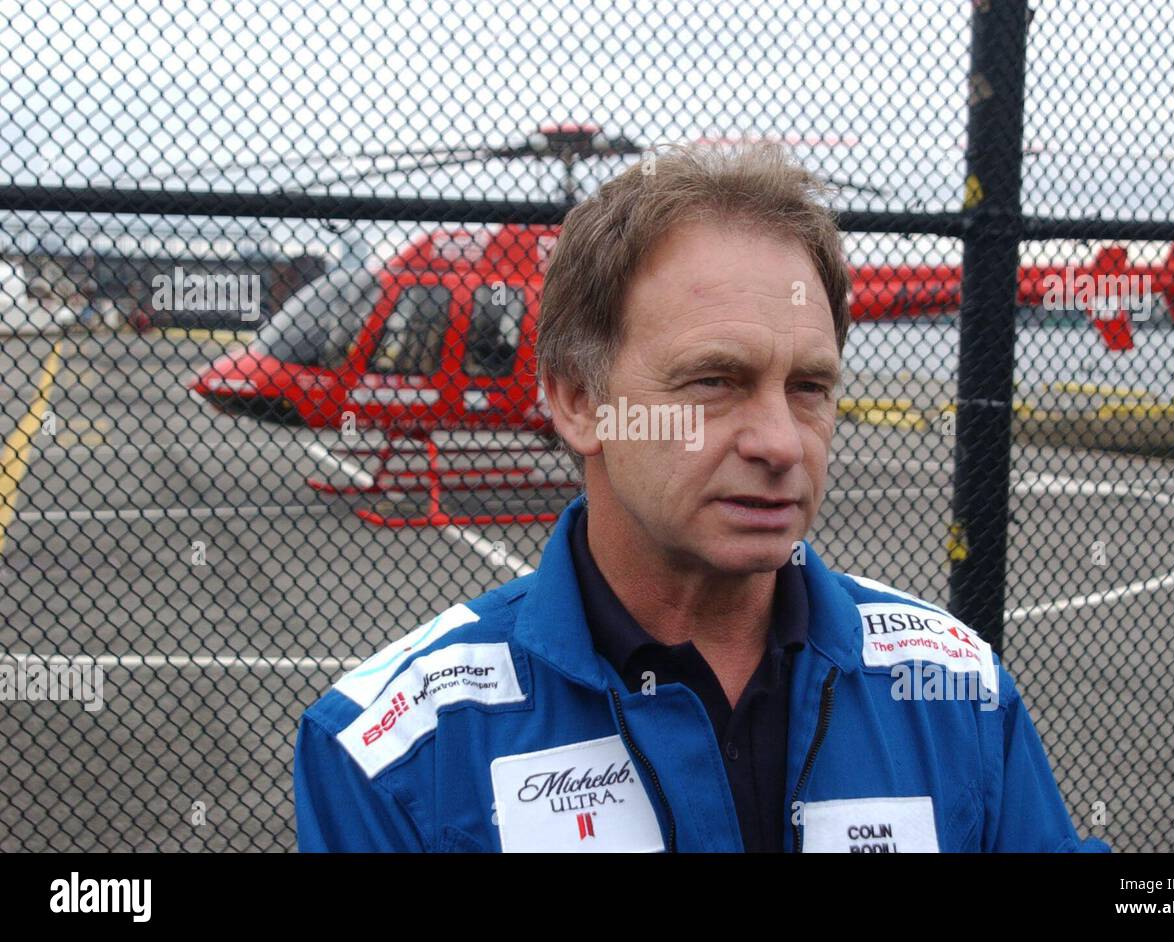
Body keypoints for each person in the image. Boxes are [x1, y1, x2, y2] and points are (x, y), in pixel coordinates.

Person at [294, 141, 1109, 853]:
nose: (782, 444)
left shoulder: (956, 686)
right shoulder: (391, 750)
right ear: (578, 399)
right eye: (715, 381)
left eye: (811, 387)